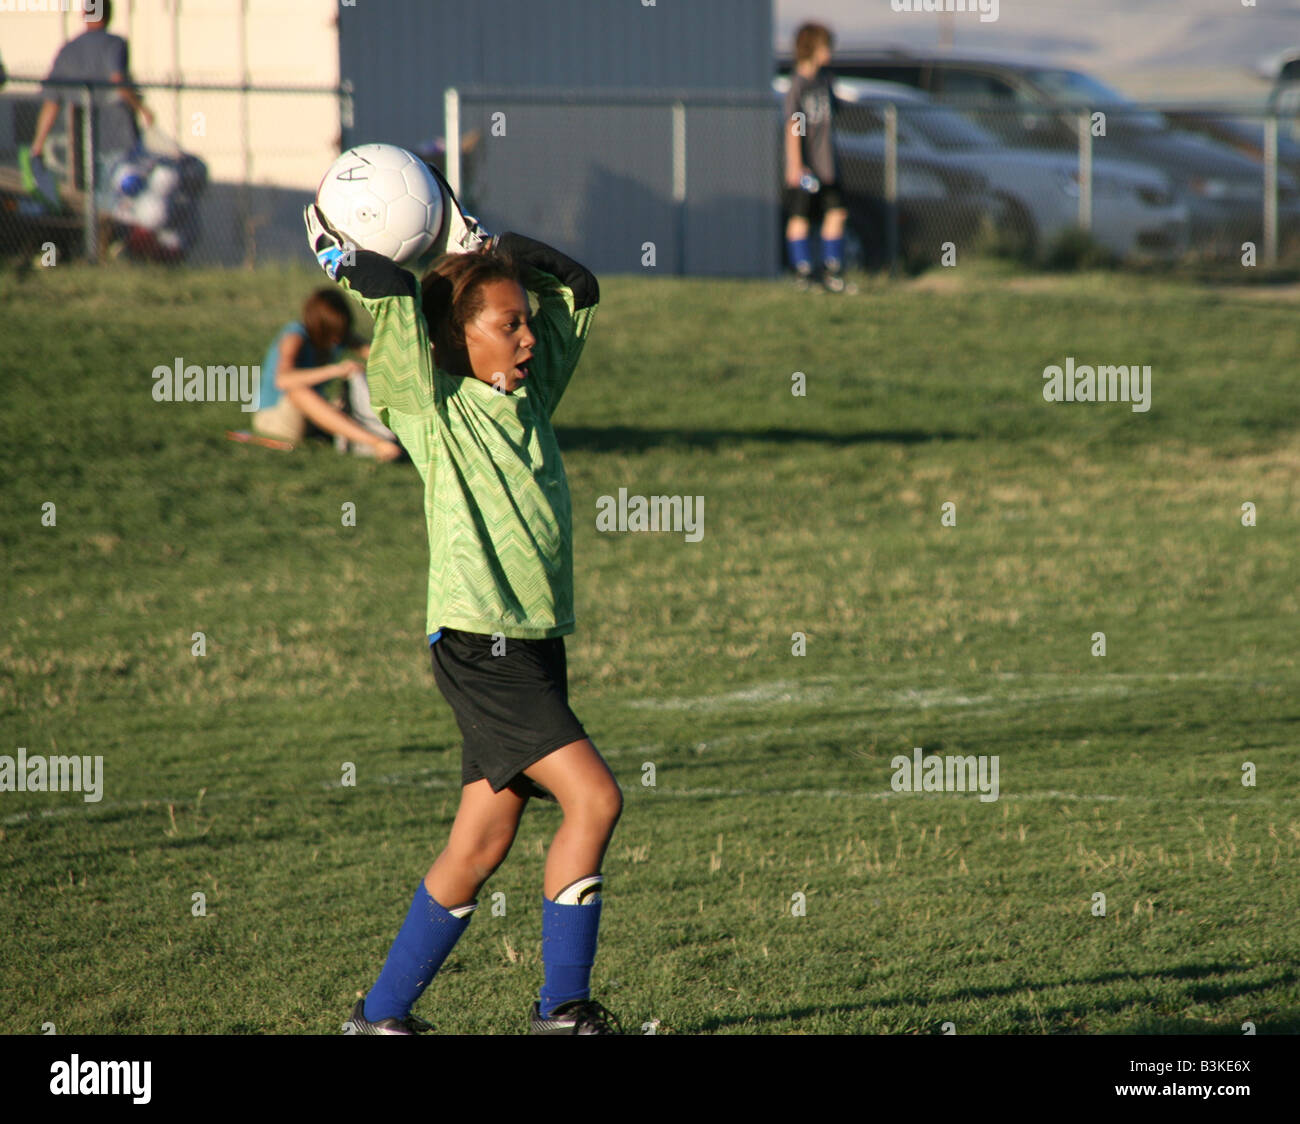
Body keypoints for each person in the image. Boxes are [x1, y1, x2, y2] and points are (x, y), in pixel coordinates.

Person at [304, 183, 623, 1035]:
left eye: (525, 322)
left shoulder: (528, 397)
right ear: (457, 338)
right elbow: (402, 315)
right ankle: (562, 1008)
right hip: (483, 646)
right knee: (594, 801)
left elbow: (579, 294)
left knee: (479, 845)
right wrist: (358, 261)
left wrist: (508, 249)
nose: (527, 338)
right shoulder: (431, 410)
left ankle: (379, 1019)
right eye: (506, 325)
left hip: (533, 642)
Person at [29, 0, 153, 212]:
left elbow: (52, 102)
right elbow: (118, 81)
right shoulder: (115, 44)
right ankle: (107, 236)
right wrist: (142, 109)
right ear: (108, 15)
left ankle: (98, 237)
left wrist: (38, 144)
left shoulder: (68, 49)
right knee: (122, 195)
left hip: (80, 144)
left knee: (91, 196)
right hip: (118, 137)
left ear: (84, 15)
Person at [253, 288, 402, 461]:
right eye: (333, 333)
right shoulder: (295, 336)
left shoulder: (337, 336)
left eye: (341, 333)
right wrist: (337, 370)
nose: (336, 340)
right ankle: (376, 443)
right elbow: (283, 379)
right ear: (320, 326)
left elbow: (377, 355)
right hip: (276, 419)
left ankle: (389, 435)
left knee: (351, 392)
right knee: (298, 392)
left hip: (312, 418)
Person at [783, 21, 857, 294]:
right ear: (812, 47)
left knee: (836, 213)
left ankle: (831, 273)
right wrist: (796, 164)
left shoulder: (826, 80)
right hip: (805, 165)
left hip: (828, 165)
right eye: (825, 46)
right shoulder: (798, 85)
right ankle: (803, 273)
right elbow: (793, 125)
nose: (830, 52)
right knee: (801, 216)